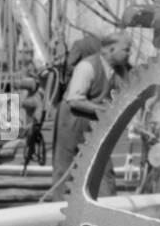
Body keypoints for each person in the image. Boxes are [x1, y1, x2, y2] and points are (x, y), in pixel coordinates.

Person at [48, 31, 132, 198]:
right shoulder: (87, 67)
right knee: (65, 169)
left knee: (104, 169)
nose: (129, 54)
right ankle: (57, 217)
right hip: (72, 121)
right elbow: (74, 100)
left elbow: (126, 97)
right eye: (126, 50)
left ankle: (107, 211)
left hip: (94, 122)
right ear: (110, 49)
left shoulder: (121, 71)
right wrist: (104, 110)